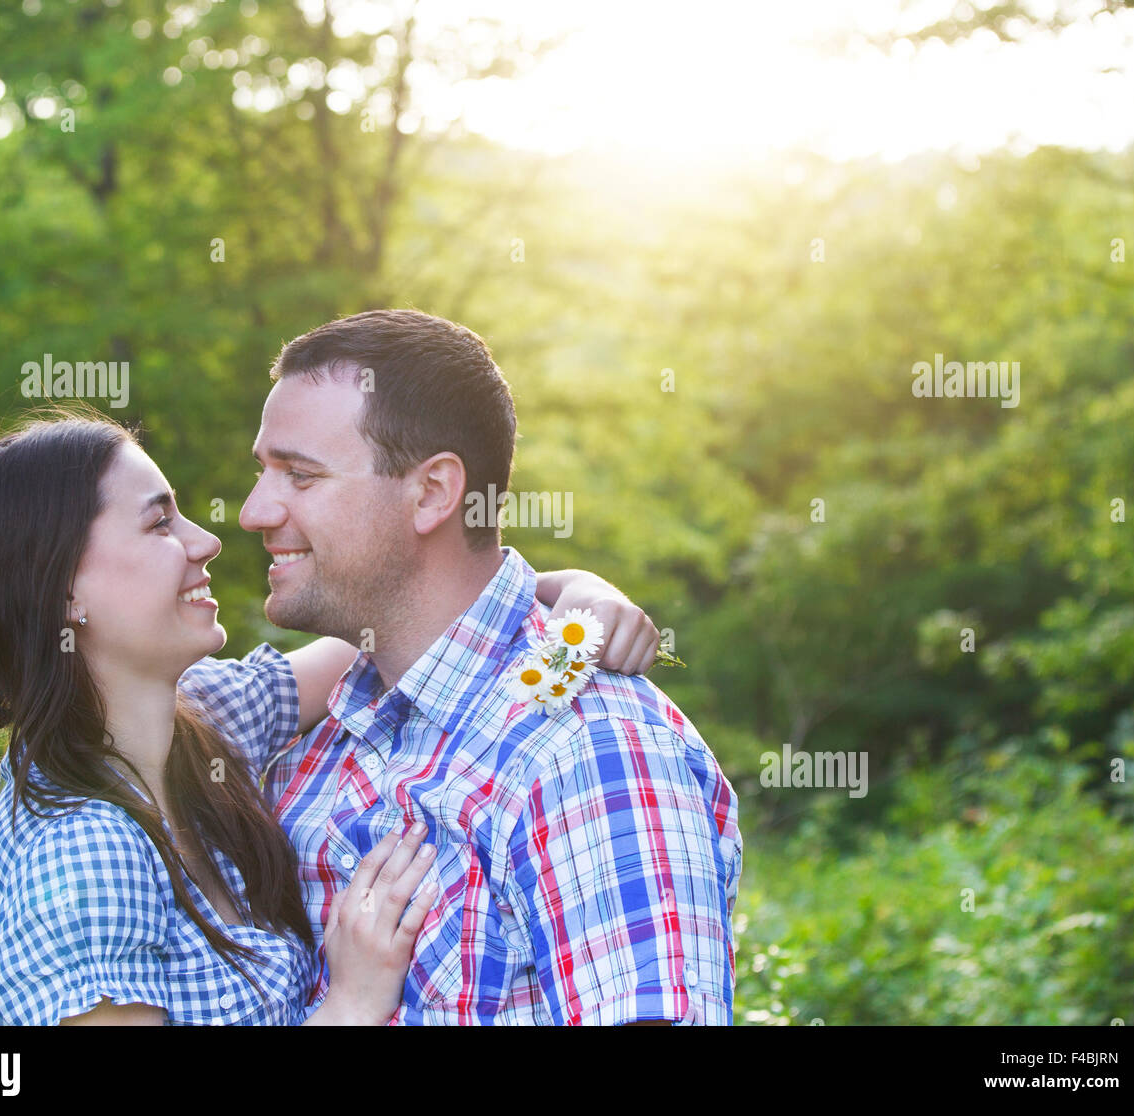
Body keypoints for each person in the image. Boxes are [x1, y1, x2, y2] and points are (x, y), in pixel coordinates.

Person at [0, 412, 652, 1024]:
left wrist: (569, 595)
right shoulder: (84, 854)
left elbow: (408, 617)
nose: (206, 540)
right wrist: (348, 1004)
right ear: (62, 592)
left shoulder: (203, 719)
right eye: (159, 523)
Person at [184, 309, 744, 1025]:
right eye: (263, 472)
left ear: (433, 493)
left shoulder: (588, 750)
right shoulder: (309, 749)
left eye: (300, 475)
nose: (256, 511)